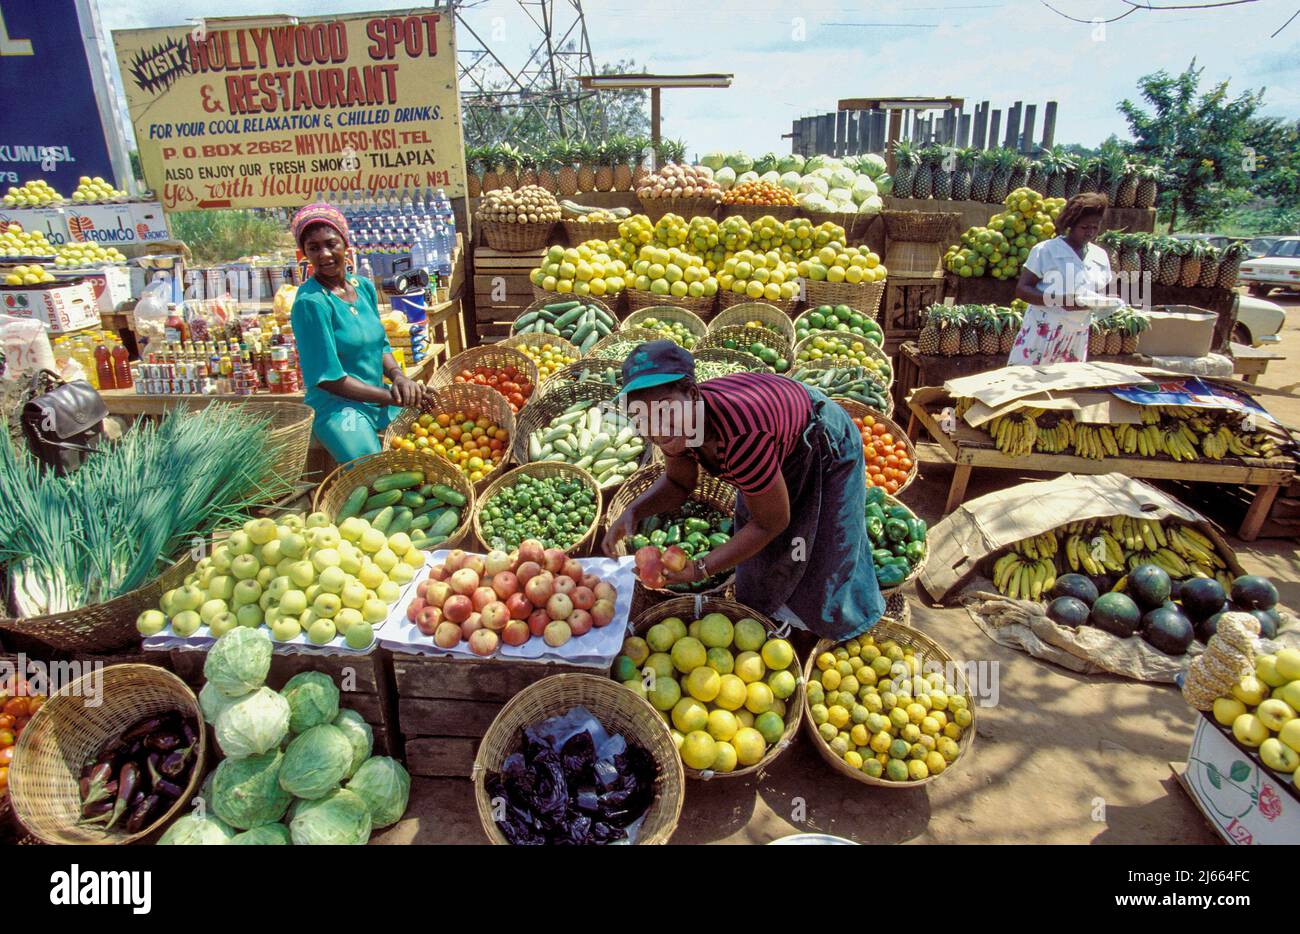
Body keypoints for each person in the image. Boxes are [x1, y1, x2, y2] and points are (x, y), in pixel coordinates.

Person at [602, 340, 884, 642]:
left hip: (823, 446)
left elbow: (771, 522)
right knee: (763, 554)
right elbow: (679, 483)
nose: (657, 430)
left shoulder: (742, 439)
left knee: (826, 552)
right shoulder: (680, 426)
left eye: (665, 410)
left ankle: (832, 632)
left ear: (693, 394)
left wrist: (700, 569)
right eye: (643, 418)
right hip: (776, 442)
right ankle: (772, 617)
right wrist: (635, 510)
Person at [289, 202, 427, 463]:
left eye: (331, 243)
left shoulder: (362, 286)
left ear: (346, 244)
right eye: (313, 248)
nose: (325, 254)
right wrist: (391, 396)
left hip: (378, 396)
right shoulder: (311, 303)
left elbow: (381, 346)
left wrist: (398, 377)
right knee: (373, 471)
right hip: (339, 408)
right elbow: (329, 379)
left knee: (429, 438)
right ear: (304, 254)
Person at [1008, 192, 1117, 365]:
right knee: (1030, 384)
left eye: (1095, 227)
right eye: (1084, 227)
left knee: (1063, 387)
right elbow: (1023, 289)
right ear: (1071, 224)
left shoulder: (1100, 256)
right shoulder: (1046, 251)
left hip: (1076, 336)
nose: (1090, 232)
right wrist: (1059, 300)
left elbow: (1096, 292)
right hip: (1042, 333)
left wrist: (1105, 304)